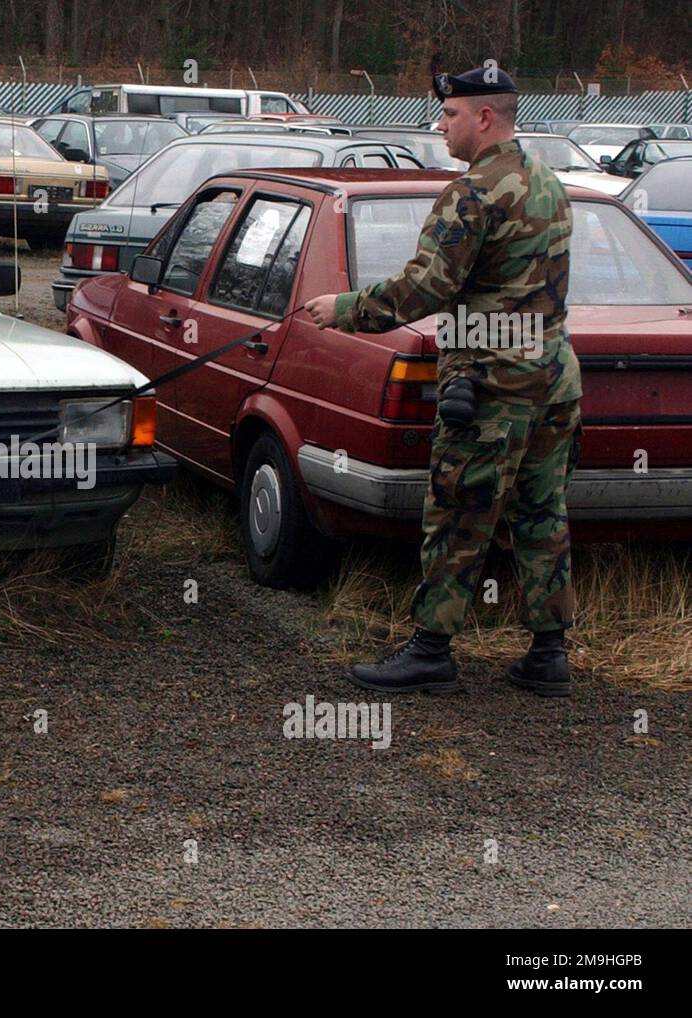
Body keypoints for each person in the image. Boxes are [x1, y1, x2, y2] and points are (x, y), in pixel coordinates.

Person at [303, 66, 582, 697]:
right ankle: (549, 652)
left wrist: (343, 309)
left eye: (451, 115)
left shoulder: (472, 193)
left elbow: (425, 287)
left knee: (459, 510)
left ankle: (431, 649)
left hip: (493, 385)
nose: (441, 125)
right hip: (554, 376)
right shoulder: (549, 183)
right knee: (542, 512)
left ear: (484, 117)